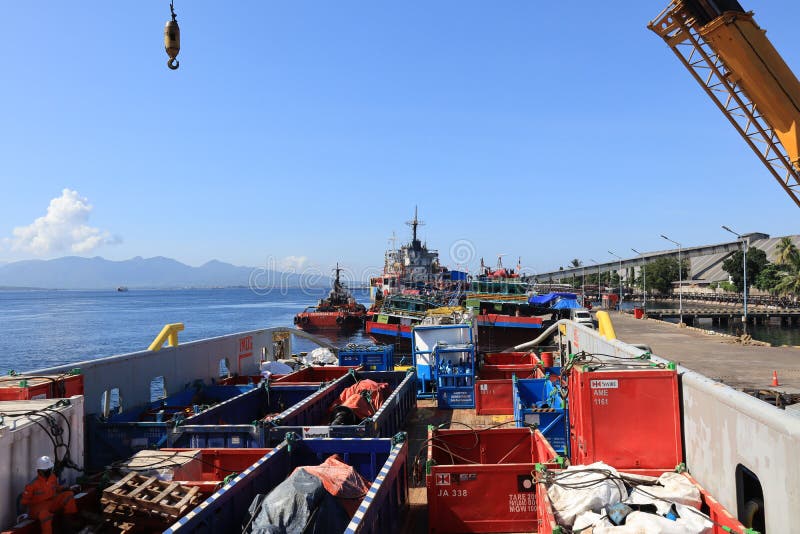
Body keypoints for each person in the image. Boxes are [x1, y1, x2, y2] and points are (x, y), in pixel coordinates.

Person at [20, 456, 78, 534]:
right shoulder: (32, 485)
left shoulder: (52, 477)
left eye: (49, 469)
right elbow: (24, 502)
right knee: (45, 515)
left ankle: (67, 527)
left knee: (69, 495)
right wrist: (22, 515)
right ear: (39, 471)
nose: (49, 471)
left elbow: (57, 488)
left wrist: (67, 488)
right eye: (46, 470)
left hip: (51, 503)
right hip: (37, 509)